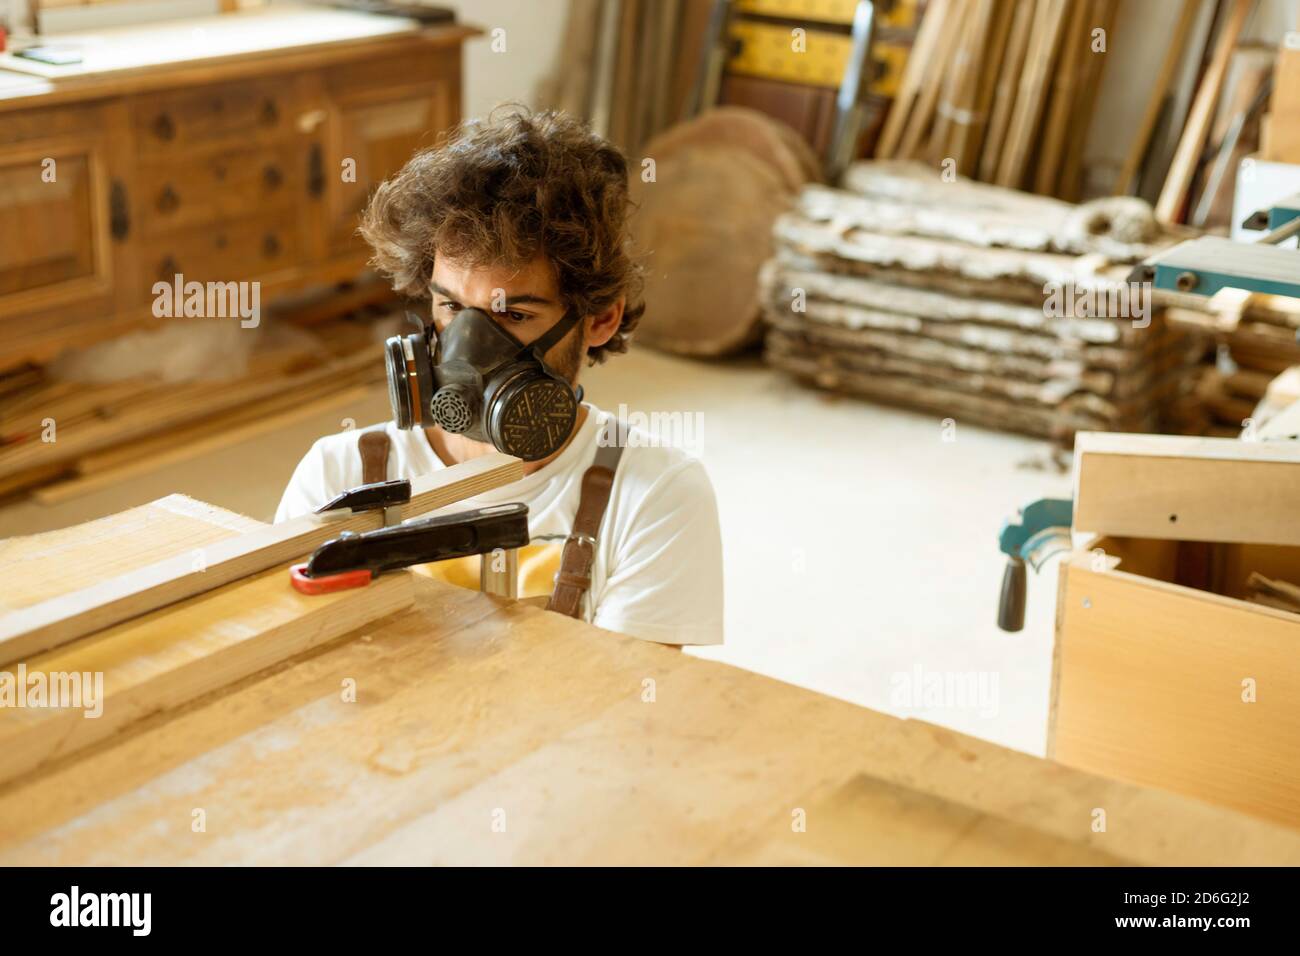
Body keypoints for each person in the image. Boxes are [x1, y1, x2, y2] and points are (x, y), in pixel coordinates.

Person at [275, 107, 723, 646]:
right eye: (450, 308)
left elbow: (626, 715)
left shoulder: (655, 495)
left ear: (600, 319)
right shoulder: (339, 476)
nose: (468, 348)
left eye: (512, 315)